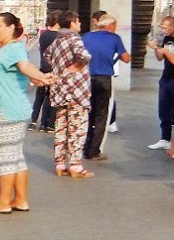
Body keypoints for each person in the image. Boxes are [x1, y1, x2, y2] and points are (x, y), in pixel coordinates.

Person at [0, 13, 54, 214]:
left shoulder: (13, 49)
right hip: (12, 108)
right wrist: (39, 78)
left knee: (5, 157)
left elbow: (25, 66)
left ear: (11, 28)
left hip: (7, 109)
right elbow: (23, 70)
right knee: (16, 156)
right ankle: (20, 200)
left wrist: (41, 77)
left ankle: (3, 202)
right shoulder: (9, 49)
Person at [47, 11, 93, 178]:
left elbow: (47, 55)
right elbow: (85, 56)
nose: (79, 24)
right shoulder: (74, 39)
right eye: (78, 21)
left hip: (60, 91)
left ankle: (59, 164)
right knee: (77, 128)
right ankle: (75, 166)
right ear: (72, 23)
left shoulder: (58, 40)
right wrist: (74, 68)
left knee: (61, 127)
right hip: (76, 91)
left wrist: (59, 69)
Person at [82, 14, 130, 161]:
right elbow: (126, 59)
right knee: (102, 114)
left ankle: (85, 145)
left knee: (88, 112)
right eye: (114, 26)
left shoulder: (87, 37)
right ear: (110, 26)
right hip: (104, 78)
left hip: (87, 78)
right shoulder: (114, 38)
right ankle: (94, 151)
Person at [29, 12, 61, 132]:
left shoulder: (43, 35)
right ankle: (46, 124)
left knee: (39, 96)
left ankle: (33, 121)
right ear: (58, 22)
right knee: (51, 97)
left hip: (43, 68)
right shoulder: (59, 36)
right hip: (54, 69)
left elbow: (40, 49)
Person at [150, 15, 174, 150]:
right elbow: (160, 58)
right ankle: (165, 138)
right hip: (166, 78)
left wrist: (166, 52)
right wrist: (156, 48)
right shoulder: (166, 38)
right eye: (162, 27)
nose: (163, 30)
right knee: (163, 110)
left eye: (165, 27)